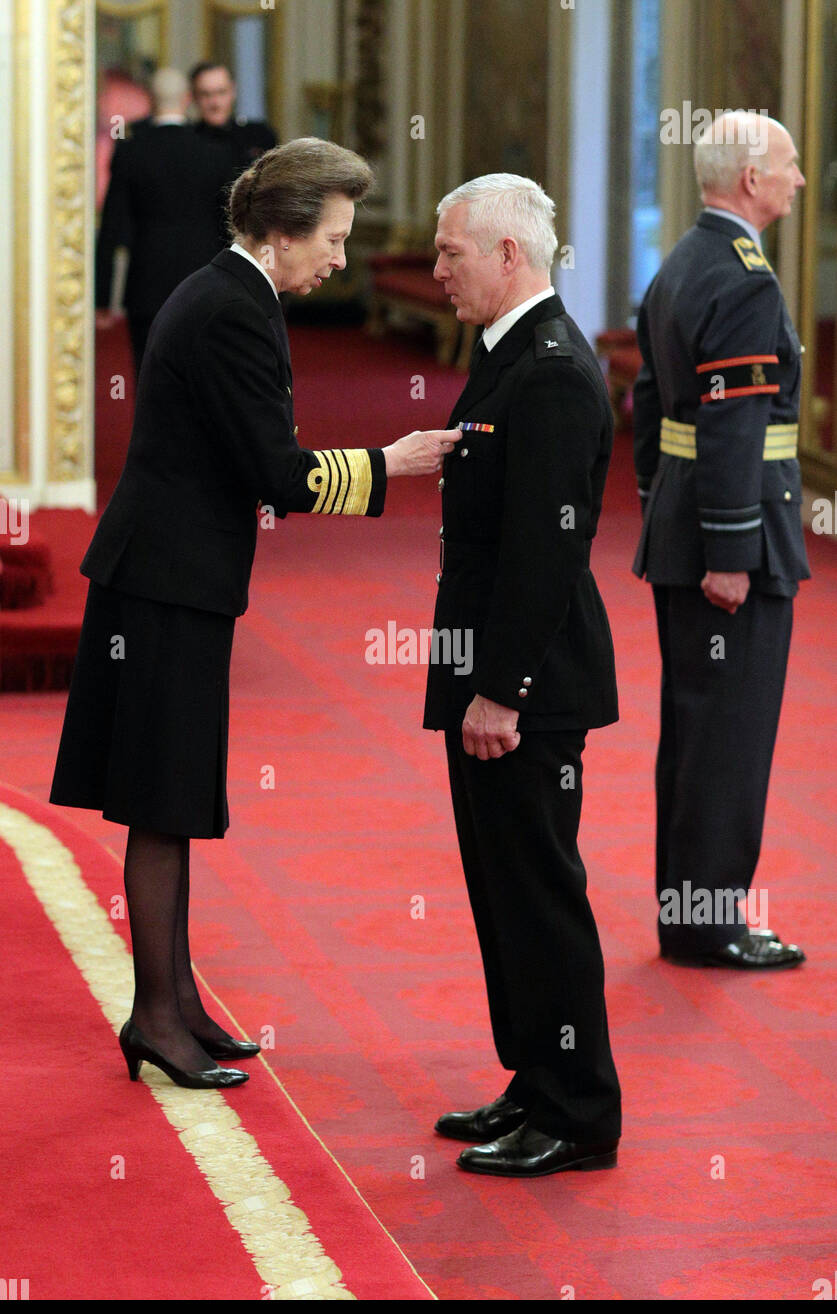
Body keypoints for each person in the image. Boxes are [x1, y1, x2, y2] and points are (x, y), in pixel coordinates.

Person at [52, 138, 460, 1091]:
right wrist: (387, 464)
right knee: (163, 800)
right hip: (164, 584)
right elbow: (273, 472)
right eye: (332, 238)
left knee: (177, 793)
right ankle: (156, 1016)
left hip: (171, 577)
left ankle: (178, 1002)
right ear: (279, 232)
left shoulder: (232, 293)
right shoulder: (235, 308)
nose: (340, 260)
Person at [424, 174, 621, 1177]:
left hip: (527, 686)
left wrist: (500, 688)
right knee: (503, 890)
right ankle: (534, 1078)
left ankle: (579, 1109)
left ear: (509, 255)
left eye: (451, 251)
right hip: (492, 669)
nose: (436, 268)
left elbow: (547, 555)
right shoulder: (509, 351)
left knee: (540, 893)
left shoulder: (546, 368)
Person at [632, 111, 809, 970]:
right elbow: (735, 426)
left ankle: (690, 917)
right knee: (727, 738)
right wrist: (731, 552)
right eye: (788, 165)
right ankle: (709, 925)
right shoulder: (743, 280)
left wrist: (655, 498)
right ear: (748, 179)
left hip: (684, 525)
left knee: (697, 731)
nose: (799, 180)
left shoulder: (682, 262)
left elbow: (642, 396)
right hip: (732, 541)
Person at [95, 68, 234, 373]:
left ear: (150, 101)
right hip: (205, 282)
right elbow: (231, 228)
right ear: (188, 99)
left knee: (150, 378)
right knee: (201, 378)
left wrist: (102, 297)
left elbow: (112, 226)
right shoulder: (217, 155)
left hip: (146, 283)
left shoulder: (130, 153)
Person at [190, 61, 277, 245]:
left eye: (221, 92)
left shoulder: (259, 135)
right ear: (194, 97)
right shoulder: (186, 142)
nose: (215, 103)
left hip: (250, 240)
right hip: (200, 243)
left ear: (233, 91)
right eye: (206, 94)